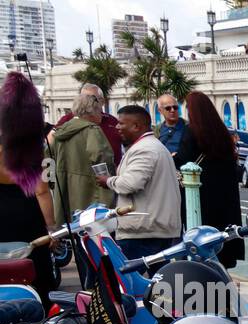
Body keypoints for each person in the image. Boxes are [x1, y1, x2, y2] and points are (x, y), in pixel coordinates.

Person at [0, 71, 57, 305]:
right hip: (28, 217)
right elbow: (42, 192)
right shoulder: (33, 150)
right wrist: (51, 229)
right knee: (34, 274)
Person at [98, 105, 181, 260]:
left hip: (143, 231)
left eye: (121, 123)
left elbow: (130, 184)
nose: (117, 127)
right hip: (152, 227)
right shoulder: (151, 146)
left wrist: (108, 181)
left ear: (136, 126)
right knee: (158, 279)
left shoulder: (145, 149)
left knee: (125, 280)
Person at [174, 92, 245, 269]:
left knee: (200, 232)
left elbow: (183, 158)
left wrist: (173, 157)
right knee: (222, 232)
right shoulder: (221, 131)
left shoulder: (192, 131)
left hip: (202, 193)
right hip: (224, 193)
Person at [50, 87, 115, 225]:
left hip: (64, 190)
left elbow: (47, 158)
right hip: (89, 192)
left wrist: (52, 182)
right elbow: (102, 160)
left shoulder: (60, 131)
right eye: (99, 110)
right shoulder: (92, 130)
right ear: (91, 112)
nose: (101, 115)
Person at [53, 83, 122, 164]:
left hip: (114, 173)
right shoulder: (68, 119)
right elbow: (52, 140)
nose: (85, 101)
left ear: (102, 101)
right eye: (82, 98)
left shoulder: (112, 121)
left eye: (91, 98)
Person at [154, 93, 187, 160]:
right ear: (160, 110)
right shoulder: (157, 130)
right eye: (168, 108)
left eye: (175, 107)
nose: (172, 110)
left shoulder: (188, 126)